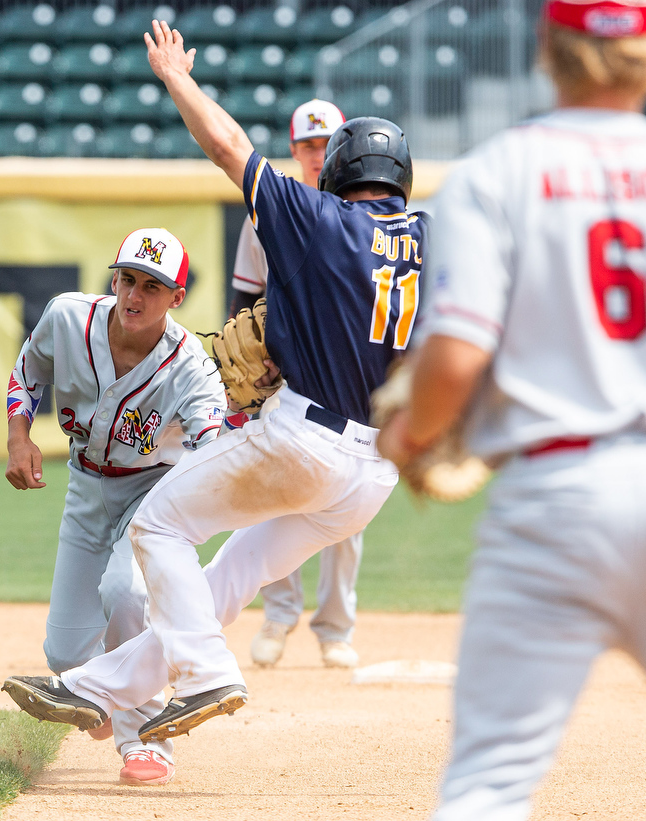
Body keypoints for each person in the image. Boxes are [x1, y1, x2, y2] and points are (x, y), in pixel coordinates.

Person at [378, 2, 646, 819]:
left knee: (489, 786)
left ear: (548, 48)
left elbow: (455, 356)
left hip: (556, 497)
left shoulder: (498, 174)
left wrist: (409, 436)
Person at [1, 19, 426, 745]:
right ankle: (96, 689)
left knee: (158, 524)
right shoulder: (427, 241)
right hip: (374, 474)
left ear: (337, 174)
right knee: (228, 575)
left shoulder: (319, 218)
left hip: (305, 437)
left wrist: (177, 78)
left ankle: (205, 673)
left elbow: (230, 148)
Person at [3, 226, 227, 786]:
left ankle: (146, 740)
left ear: (177, 298)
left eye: (151, 286)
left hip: (153, 492)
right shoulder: (67, 317)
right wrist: (18, 437)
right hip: (85, 484)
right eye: (127, 279)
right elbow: (28, 374)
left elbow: (211, 453)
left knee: (126, 595)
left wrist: (233, 431)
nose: (133, 295)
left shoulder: (191, 368)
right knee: (64, 656)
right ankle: (106, 693)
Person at [232, 97, 363, 670]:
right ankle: (279, 615)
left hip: (346, 376)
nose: (315, 155)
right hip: (283, 375)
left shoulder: (362, 209)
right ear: (295, 150)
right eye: (307, 145)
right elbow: (244, 301)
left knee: (348, 503)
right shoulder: (273, 208)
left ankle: (335, 627)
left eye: (324, 143)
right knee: (273, 496)